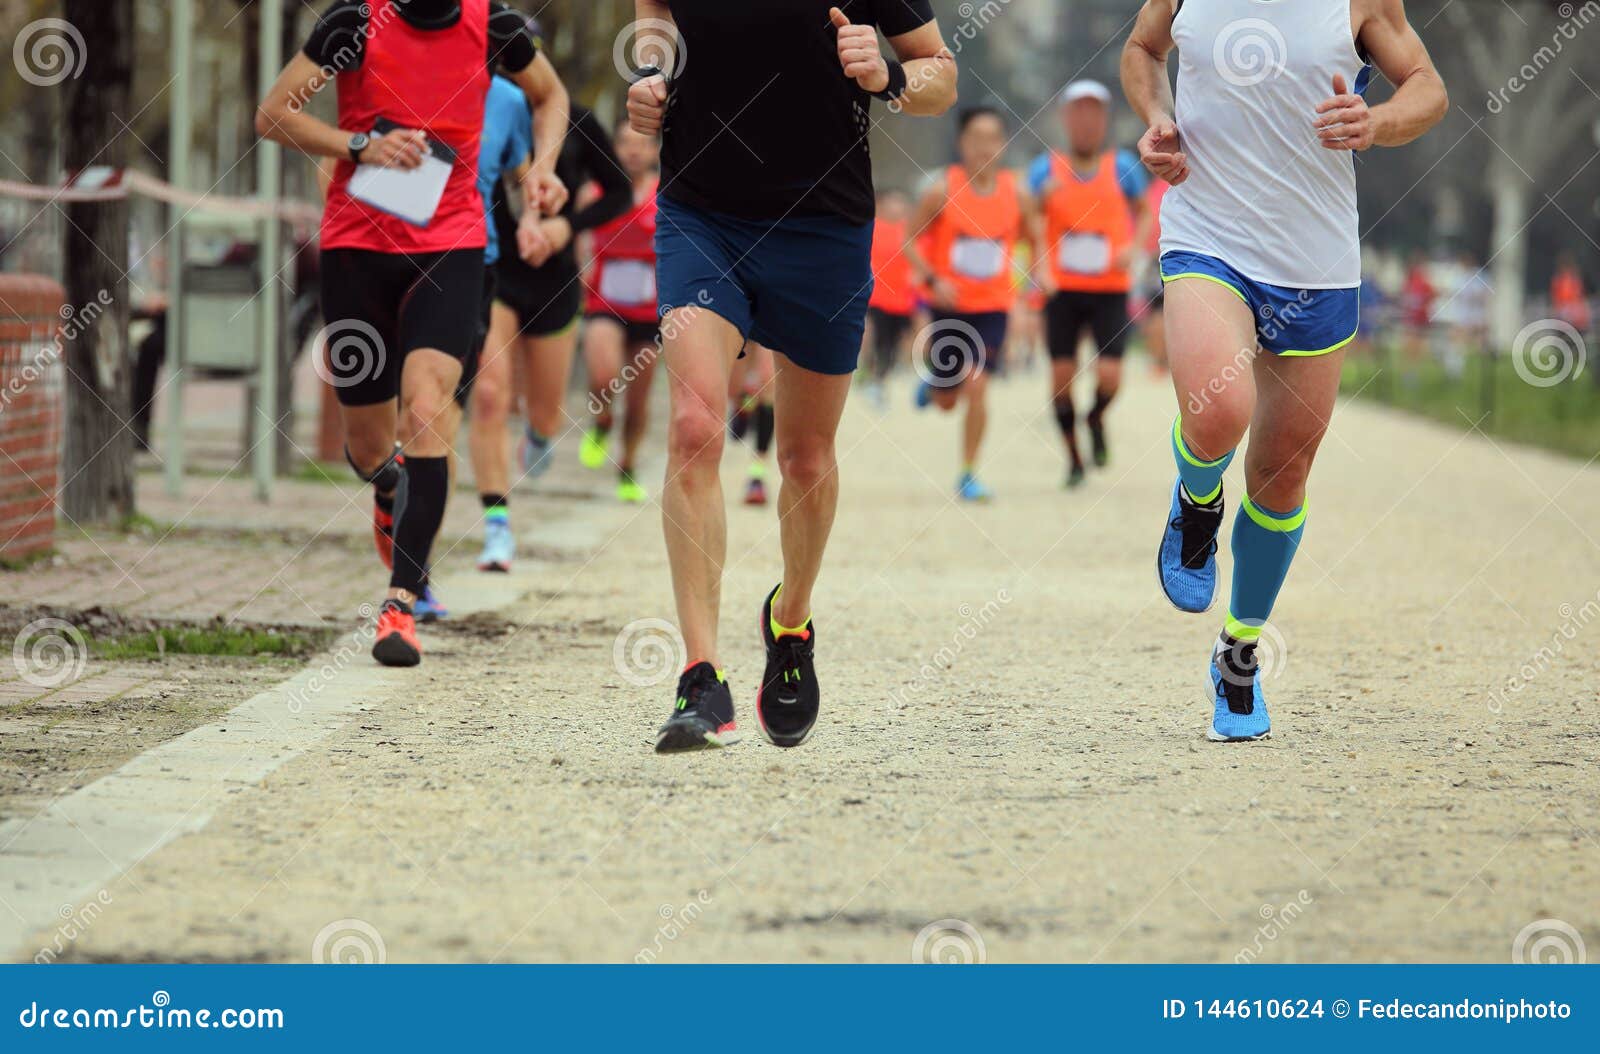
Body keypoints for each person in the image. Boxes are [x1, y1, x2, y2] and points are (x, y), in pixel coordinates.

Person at [627, 1, 957, 752]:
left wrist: (891, 74)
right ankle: (700, 677)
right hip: (700, 214)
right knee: (695, 426)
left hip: (824, 228)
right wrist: (652, 74)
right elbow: (655, 19)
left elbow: (942, 76)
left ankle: (792, 621)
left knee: (805, 456)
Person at [1123, 0, 1447, 740]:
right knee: (1217, 410)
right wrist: (1158, 116)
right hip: (1208, 230)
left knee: (1283, 470)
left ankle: (1238, 656)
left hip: (1314, 258)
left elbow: (1429, 85)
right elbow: (1142, 52)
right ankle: (1198, 499)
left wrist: (1380, 123)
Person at [256, 0, 569, 666]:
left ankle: (401, 602)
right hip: (356, 246)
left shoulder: (496, 29)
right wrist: (360, 144)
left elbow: (552, 96)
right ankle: (387, 484)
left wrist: (543, 165)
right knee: (369, 443)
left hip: (451, 244)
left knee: (427, 408)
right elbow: (273, 114)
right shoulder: (353, 26)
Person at [468, 100, 632, 568]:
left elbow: (619, 191)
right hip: (496, 271)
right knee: (490, 394)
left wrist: (567, 226)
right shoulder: (484, 113)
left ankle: (537, 436)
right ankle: (497, 528)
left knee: (544, 414)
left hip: (555, 280)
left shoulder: (577, 121)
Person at [905, 106, 1038, 502]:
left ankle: (967, 472)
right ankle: (934, 388)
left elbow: (1037, 238)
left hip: (993, 307)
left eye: (993, 138)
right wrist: (932, 278)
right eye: (976, 138)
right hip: (949, 305)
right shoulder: (942, 189)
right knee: (949, 400)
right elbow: (909, 241)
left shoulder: (1018, 192)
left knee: (978, 385)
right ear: (962, 143)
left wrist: (1038, 276)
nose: (985, 147)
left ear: (1003, 144)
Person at [1029, 80, 1153, 486]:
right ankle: (1075, 459)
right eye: (1079, 113)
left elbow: (1146, 211)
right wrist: (1039, 264)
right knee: (1061, 379)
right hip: (1060, 289)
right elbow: (1026, 217)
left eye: (1095, 114)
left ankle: (1096, 416)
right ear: (1066, 120)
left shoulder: (1122, 167)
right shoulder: (1045, 168)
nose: (1087, 123)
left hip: (1109, 288)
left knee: (1111, 377)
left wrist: (1133, 247)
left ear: (1104, 122)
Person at [578, 119, 662, 505]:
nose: (633, 150)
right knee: (603, 376)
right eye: (625, 142)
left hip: (649, 308)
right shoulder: (595, 190)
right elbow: (579, 236)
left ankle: (627, 464)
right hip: (604, 302)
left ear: (655, 151)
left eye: (641, 143)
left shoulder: (667, 195)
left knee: (639, 401)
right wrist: (582, 274)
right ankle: (601, 419)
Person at [862, 189, 917, 409]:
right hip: (877, 298)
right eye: (894, 203)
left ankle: (881, 380)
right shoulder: (870, 227)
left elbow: (918, 259)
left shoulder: (909, 230)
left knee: (894, 345)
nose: (899, 207)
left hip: (903, 300)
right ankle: (871, 379)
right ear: (882, 205)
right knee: (877, 340)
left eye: (901, 203)